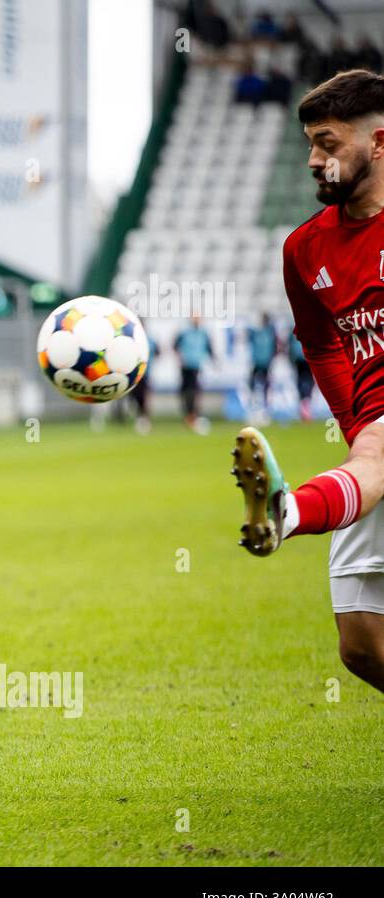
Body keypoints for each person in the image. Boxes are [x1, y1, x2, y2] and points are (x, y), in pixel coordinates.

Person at [232, 70, 384, 695]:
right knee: (361, 644)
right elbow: (320, 343)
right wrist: (357, 428)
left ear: (378, 142)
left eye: (327, 143)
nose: (314, 161)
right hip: (372, 430)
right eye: (310, 146)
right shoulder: (304, 249)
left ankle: (287, 511)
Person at [174, 313, 213, 432]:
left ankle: (193, 415)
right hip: (186, 365)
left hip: (196, 365)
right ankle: (188, 415)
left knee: (194, 391)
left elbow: (209, 348)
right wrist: (180, 357)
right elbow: (175, 345)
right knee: (185, 391)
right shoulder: (184, 332)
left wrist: (214, 361)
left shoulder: (203, 333)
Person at [247, 313, 280, 411]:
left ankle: (266, 406)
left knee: (266, 384)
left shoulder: (270, 332)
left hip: (266, 363)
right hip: (257, 361)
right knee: (253, 382)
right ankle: (253, 403)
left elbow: (276, 347)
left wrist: (272, 358)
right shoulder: (257, 332)